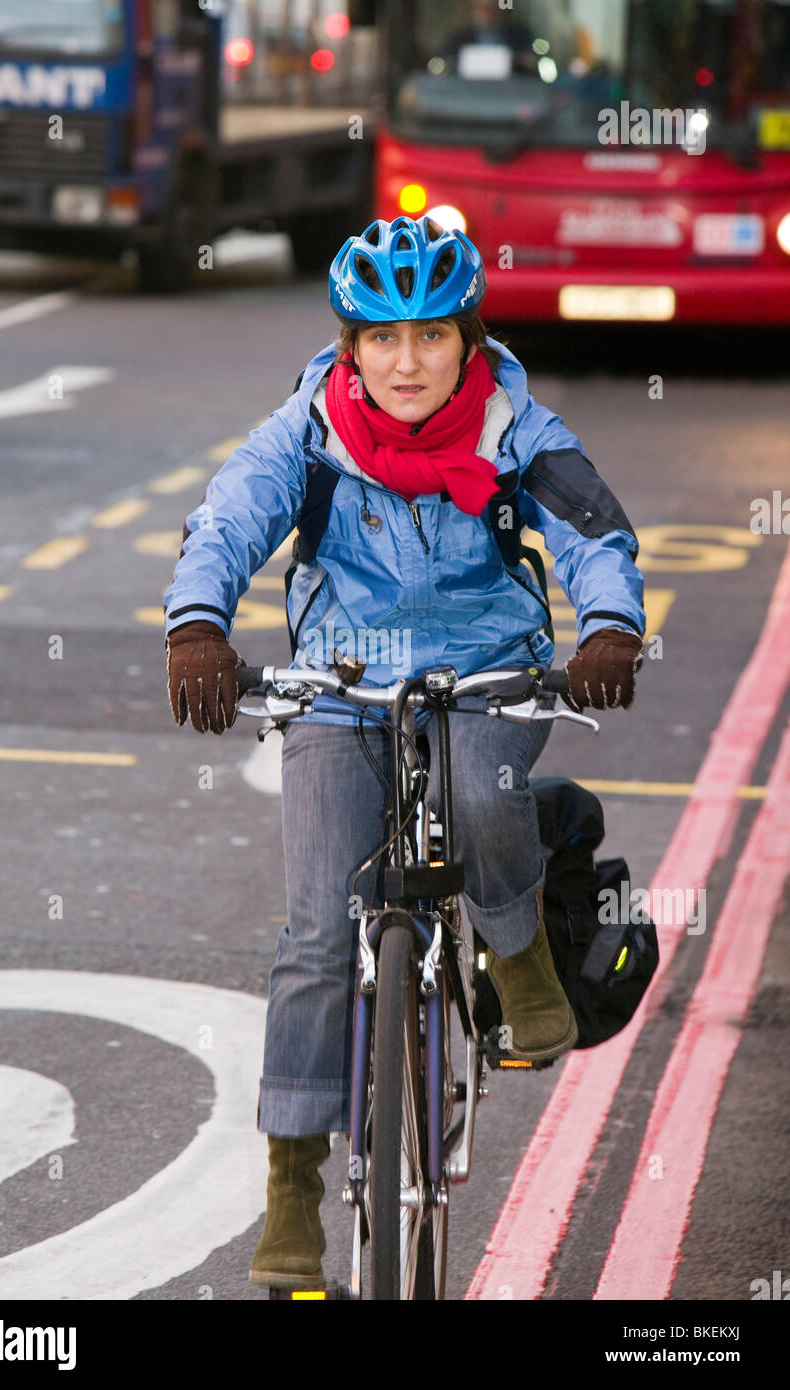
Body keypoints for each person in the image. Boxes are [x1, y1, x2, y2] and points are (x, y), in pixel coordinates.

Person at [164, 215, 645, 1289]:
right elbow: (228, 517)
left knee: (484, 794)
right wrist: (197, 622)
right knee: (314, 934)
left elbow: (593, 536)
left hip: (486, 662)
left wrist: (607, 626)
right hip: (340, 672)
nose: (406, 361)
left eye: (431, 335)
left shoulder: (515, 426)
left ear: (469, 342)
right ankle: (292, 1185)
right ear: (350, 348)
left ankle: (513, 953)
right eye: (380, 338)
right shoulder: (308, 426)